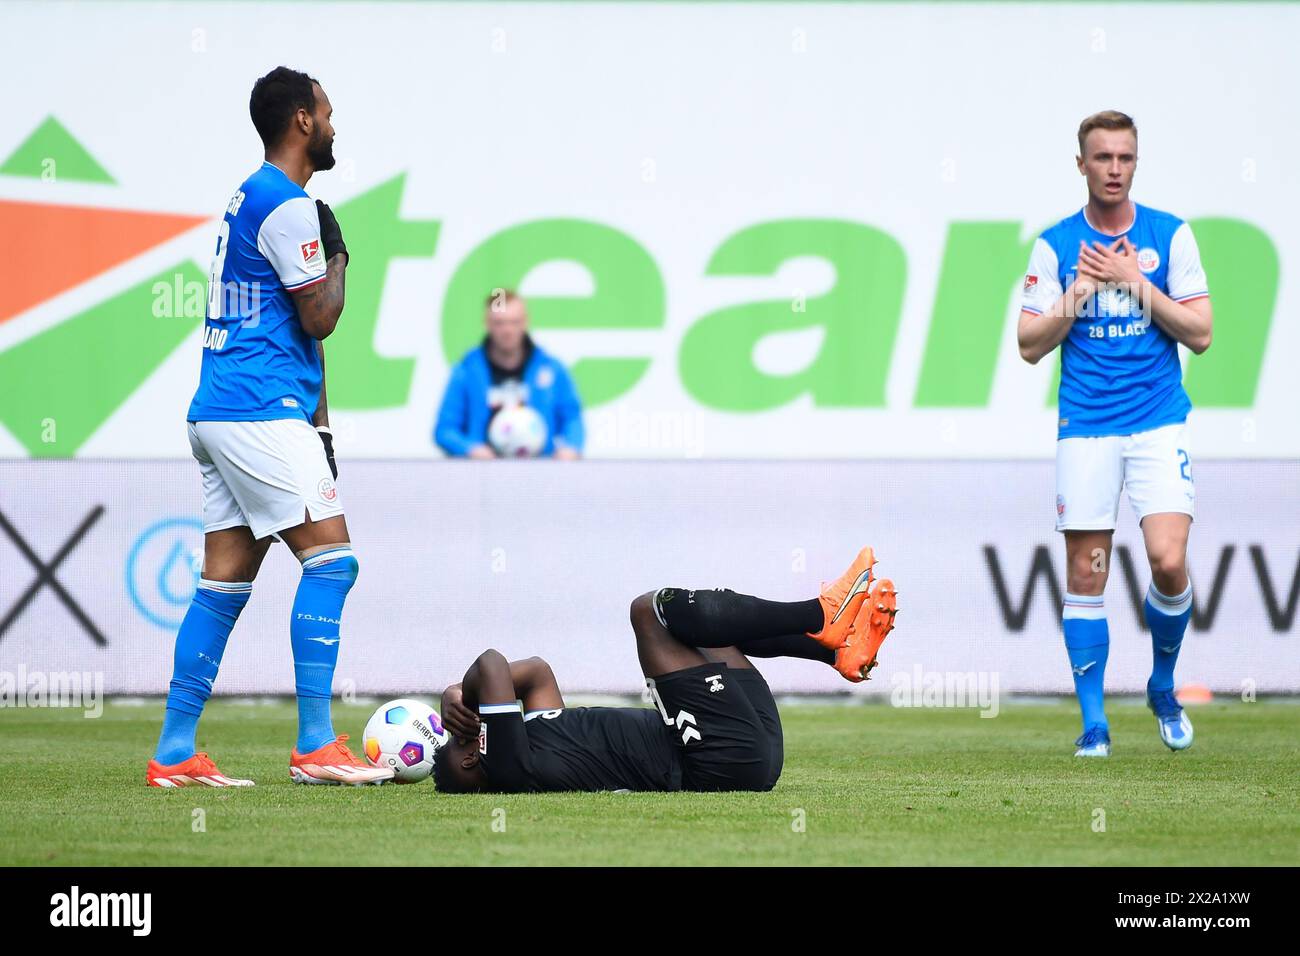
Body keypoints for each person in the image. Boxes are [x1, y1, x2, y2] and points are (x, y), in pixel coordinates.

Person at [146, 66, 393, 787]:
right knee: (333, 563)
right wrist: (342, 258)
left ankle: (174, 752)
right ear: (302, 122)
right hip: (257, 410)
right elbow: (320, 315)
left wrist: (322, 430)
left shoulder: (247, 197)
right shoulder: (287, 207)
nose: (336, 123)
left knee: (222, 587)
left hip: (222, 409)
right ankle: (316, 742)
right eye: (328, 111)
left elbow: (296, 332)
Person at [1016, 110, 1213, 758]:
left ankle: (1162, 683)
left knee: (1168, 560)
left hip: (1158, 419)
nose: (1114, 169)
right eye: (1101, 158)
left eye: (1124, 158)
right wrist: (1082, 290)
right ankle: (1095, 724)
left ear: (1136, 162)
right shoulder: (1056, 244)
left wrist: (1134, 283)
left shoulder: (1170, 235)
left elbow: (1201, 334)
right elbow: (1028, 345)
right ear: (1081, 165)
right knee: (1087, 571)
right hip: (1088, 425)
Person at [431, 548, 898, 794]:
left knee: (709, 629)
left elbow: (536, 673)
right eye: (452, 743)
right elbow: (491, 664)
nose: (456, 733)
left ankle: (836, 651)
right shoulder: (510, 769)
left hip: (746, 751)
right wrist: (460, 694)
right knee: (650, 612)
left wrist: (469, 696)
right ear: (472, 758)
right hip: (719, 758)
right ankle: (818, 615)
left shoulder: (535, 740)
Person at [434, 290, 584, 459]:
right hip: (482, 474)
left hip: (540, 470)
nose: (507, 330)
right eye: (500, 323)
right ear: (487, 323)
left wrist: (571, 447)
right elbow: (445, 430)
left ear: (525, 322)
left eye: (514, 322)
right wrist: (470, 449)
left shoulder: (551, 369)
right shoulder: (466, 371)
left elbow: (572, 417)